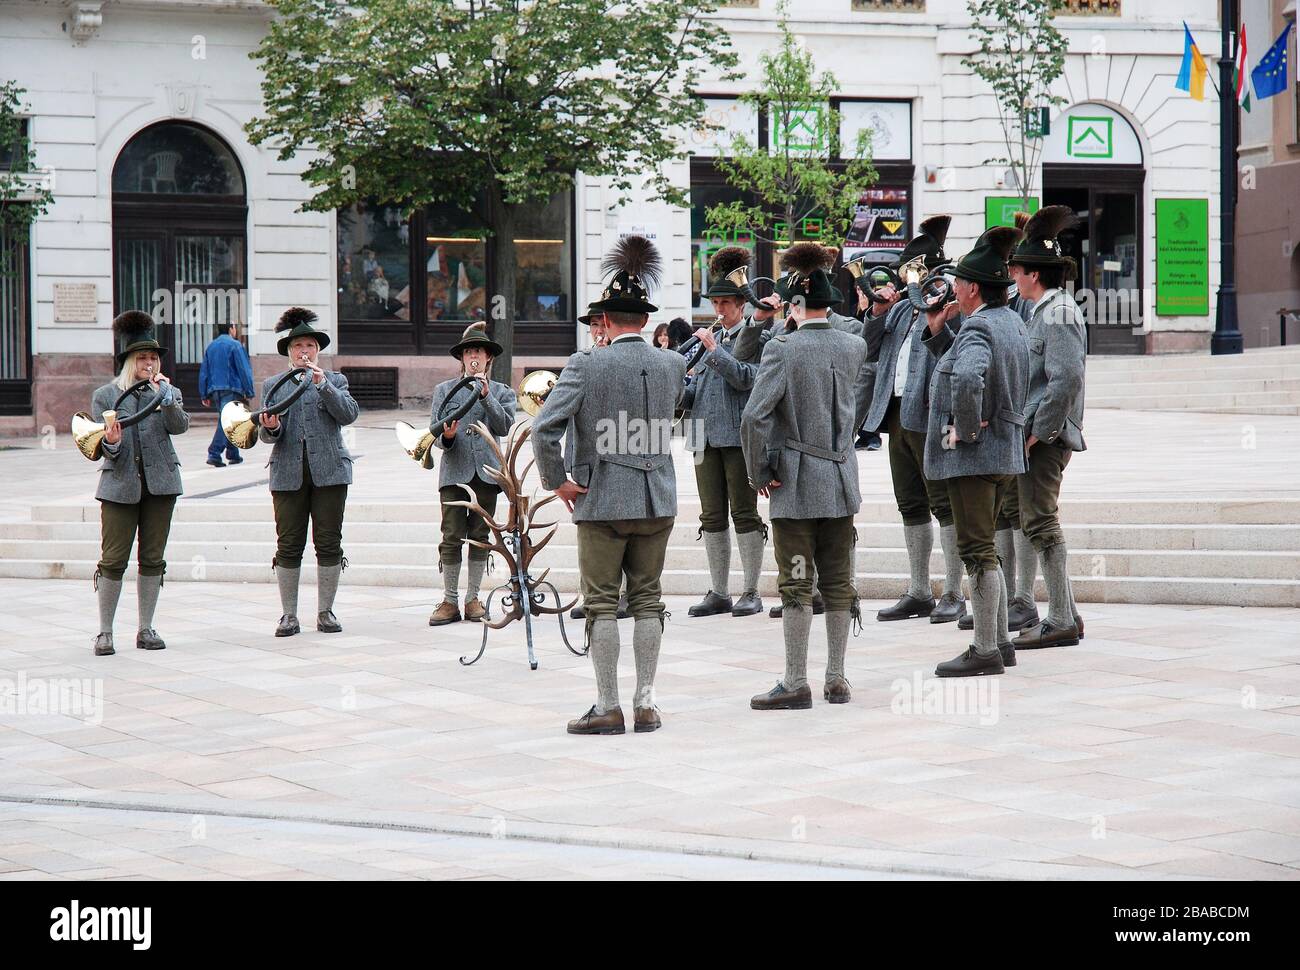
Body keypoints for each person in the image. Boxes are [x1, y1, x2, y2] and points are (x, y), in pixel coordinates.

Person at [532, 236, 684, 735]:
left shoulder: (585, 363)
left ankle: (607, 706)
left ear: (608, 319)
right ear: (643, 318)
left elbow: (543, 427)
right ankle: (646, 704)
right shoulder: (674, 363)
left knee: (600, 603)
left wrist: (558, 482)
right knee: (648, 600)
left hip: (600, 499)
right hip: (657, 495)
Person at [741, 242, 869, 709]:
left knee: (796, 581)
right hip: (841, 480)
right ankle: (837, 677)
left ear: (794, 305)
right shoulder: (854, 344)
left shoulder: (783, 349)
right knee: (838, 581)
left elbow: (754, 417)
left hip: (795, 483)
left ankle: (797, 680)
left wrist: (760, 472)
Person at [919, 226, 1029, 677]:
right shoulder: (1010, 321)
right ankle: (999, 640)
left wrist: (965, 430)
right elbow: (966, 367)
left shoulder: (979, 327)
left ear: (974, 288)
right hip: (1004, 453)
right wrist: (940, 333)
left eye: (959, 283)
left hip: (976, 458)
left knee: (977, 551)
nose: (954, 289)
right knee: (988, 549)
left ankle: (984, 648)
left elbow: (968, 379)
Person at [855, 216, 969, 625]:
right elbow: (865, 349)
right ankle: (919, 590)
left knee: (946, 505)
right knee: (910, 504)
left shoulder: (953, 307)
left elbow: (957, 358)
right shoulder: (901, 309)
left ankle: (954, 591)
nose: (908, 281)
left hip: (936, 416)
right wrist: (877, 310)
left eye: (914, 271)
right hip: (898, 414)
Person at [1007, 205, 1088, 649]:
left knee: (1041, 523)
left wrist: (1041, 430)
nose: (1014, 279)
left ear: (1033, 275)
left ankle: (1057, 618)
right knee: (1037, 520)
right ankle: (1068, 614)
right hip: (1039, 433)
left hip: (1046, 438)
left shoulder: (1057, 313)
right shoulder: (1045, 309)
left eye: (1017, 271)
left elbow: (1065, 379)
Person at [90, 311, 190, 656]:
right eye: (143, 357)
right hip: (119, 486)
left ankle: (146, 628)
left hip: (161, 484)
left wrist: (164, 398)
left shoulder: (167, 390)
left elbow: (179, 427)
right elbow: (98, 446)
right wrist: (113, 443)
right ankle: (105, 631)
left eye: (154, 357)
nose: (149, 362)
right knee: (113, 559)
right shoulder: (106, 395)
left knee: (152, 558)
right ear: (130, 361)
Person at [259, 307, 361, 637]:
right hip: (288, 473)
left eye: (310, 346)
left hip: (330, 472)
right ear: (289, 351)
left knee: (329, 542)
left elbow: (348, 414)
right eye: (298, 346)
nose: (305, 352)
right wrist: (271, 427)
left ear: (318, 351)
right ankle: (288, 614)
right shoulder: (273, 384)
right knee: (288, 544)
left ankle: (325, 611)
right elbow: (265, 434)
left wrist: (324, 386)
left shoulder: (335, 379)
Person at [680, 246, 770, 619]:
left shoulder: (757, 338)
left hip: (735, 435)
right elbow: (693, 393)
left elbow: (747, 379)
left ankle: (751, 590)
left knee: (744, 513)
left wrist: (715, 350)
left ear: (741, 305)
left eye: (726, 304)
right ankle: (719, 590)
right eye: (715, 302)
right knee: (711, 516)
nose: (719, 310)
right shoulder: (707, 342)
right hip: (702, 436)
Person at [428, 323, 518, 626]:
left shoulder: (503, 391)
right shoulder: (444, 390)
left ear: (488, 357)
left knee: (480, 536)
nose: (474, 356)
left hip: (487, 473)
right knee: (451, 536)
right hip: (455, 471)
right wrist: (449, 437)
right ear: (462, 358)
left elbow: (504, 426)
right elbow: (435, 435)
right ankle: (450, 600)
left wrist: (485, 395)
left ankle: (473, 598)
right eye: (469, 352)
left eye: (479, 351)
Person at [199, 320, 255, 467]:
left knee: (229, 419)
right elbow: (244, 369)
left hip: (215, 390)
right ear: (231, 329)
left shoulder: (211, 346)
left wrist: (204, 393)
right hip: (231, 388)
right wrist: (249, 390)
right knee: (227, 421)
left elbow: (204, 371)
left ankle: (233, 454)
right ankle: (214, 453)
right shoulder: (235, 345)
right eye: (235, 327)